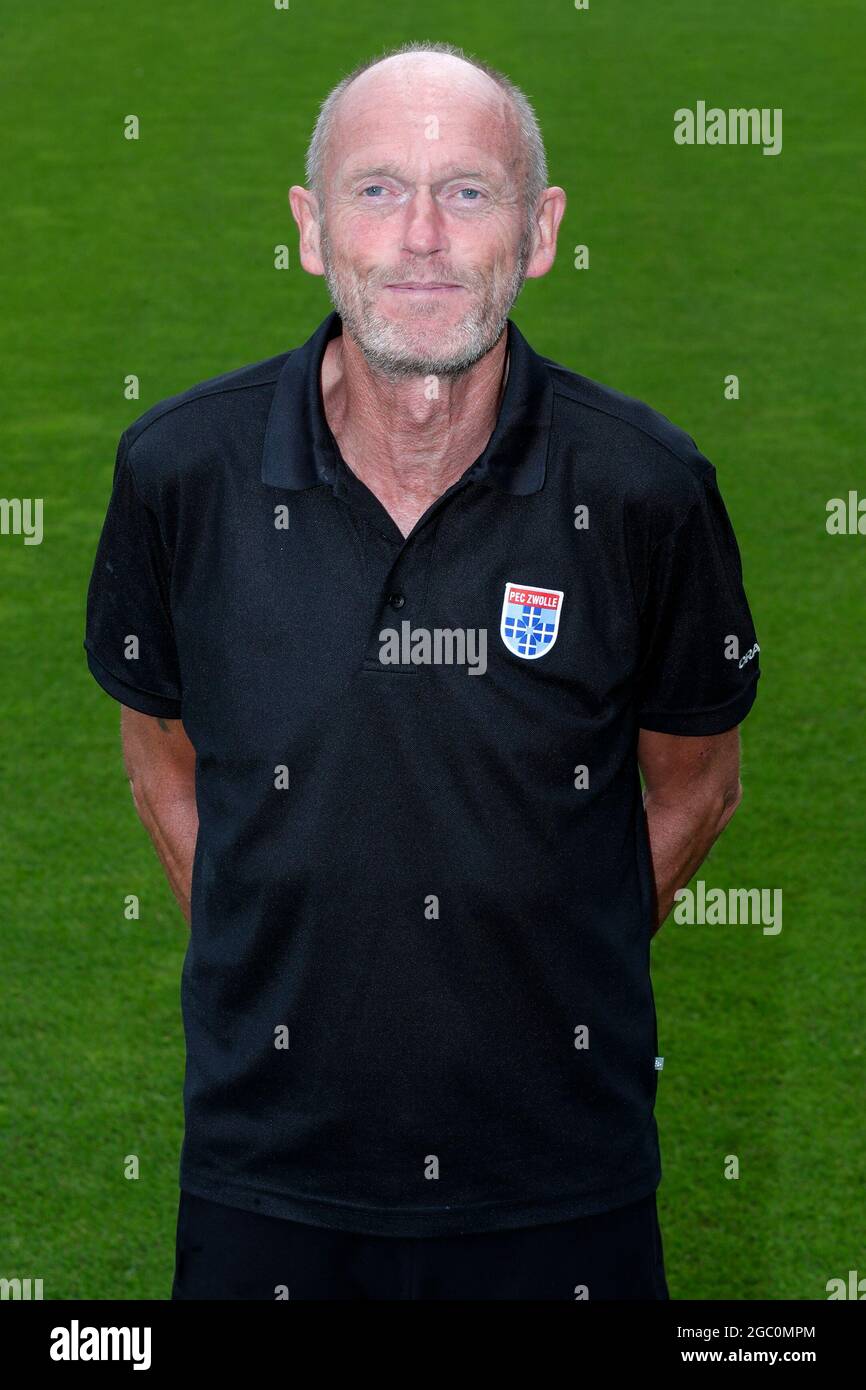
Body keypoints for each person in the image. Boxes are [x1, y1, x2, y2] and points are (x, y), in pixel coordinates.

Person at [84, 41, 760, 1300]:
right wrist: (284, 956)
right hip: (263, 1176)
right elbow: (160, 754)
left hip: (561, 1180)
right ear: (309, 226)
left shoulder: (644, 491)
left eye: (468, 192)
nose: (422, 237)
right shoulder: (179, 474)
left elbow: (693, 785)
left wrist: (549, 958)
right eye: (379, 189)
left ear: (541, 229)